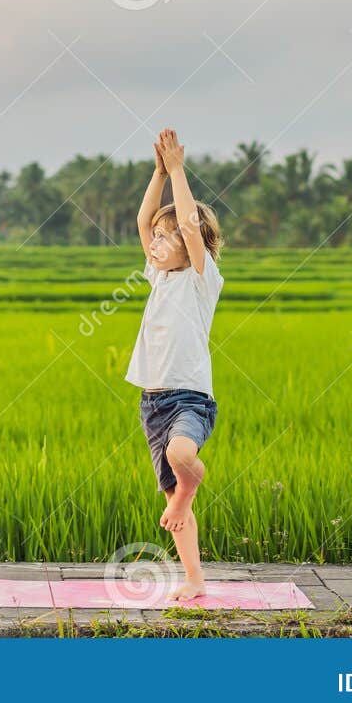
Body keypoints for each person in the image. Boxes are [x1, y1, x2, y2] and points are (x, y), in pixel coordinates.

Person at [128, 128, 225, 601]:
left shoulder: (201, 281)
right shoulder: (159, 278)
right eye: (158, 239)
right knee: (173, 498)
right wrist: (158, 173)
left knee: (182, 458)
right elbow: (145, 219)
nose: (158, 242)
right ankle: (194, 578)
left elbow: (188, 224)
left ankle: (189, 487)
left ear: (194, 247)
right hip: (153, 403)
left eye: (170, 238)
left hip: (191, 399)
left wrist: (180, 172)